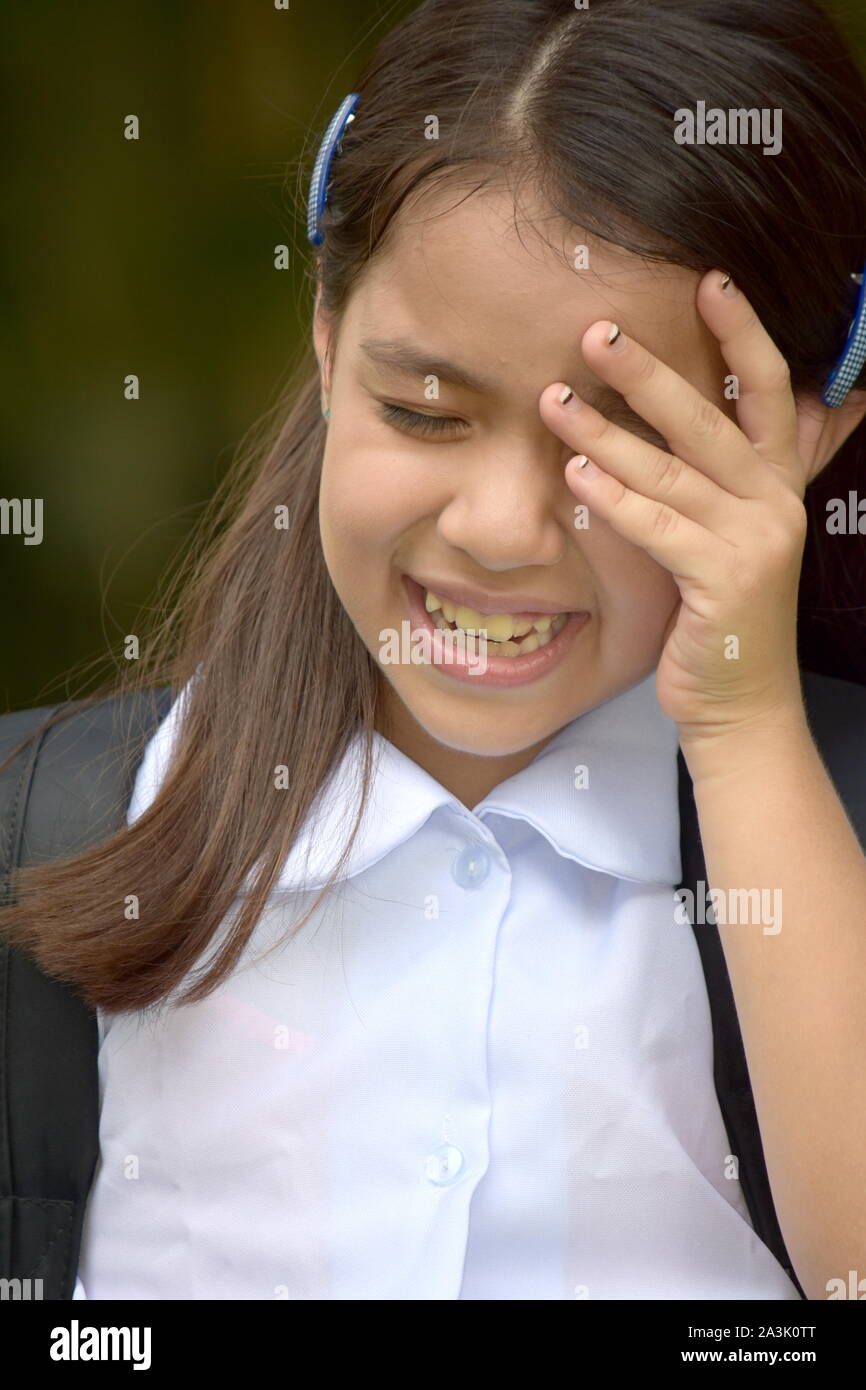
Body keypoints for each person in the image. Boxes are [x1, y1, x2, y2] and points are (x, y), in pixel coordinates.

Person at [2, 0, 866, 1301]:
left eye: (617, 447)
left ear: (810, 433)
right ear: (327, 337)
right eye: (421, 411)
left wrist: (744, 731)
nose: (502, 529)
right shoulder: (42, 835)